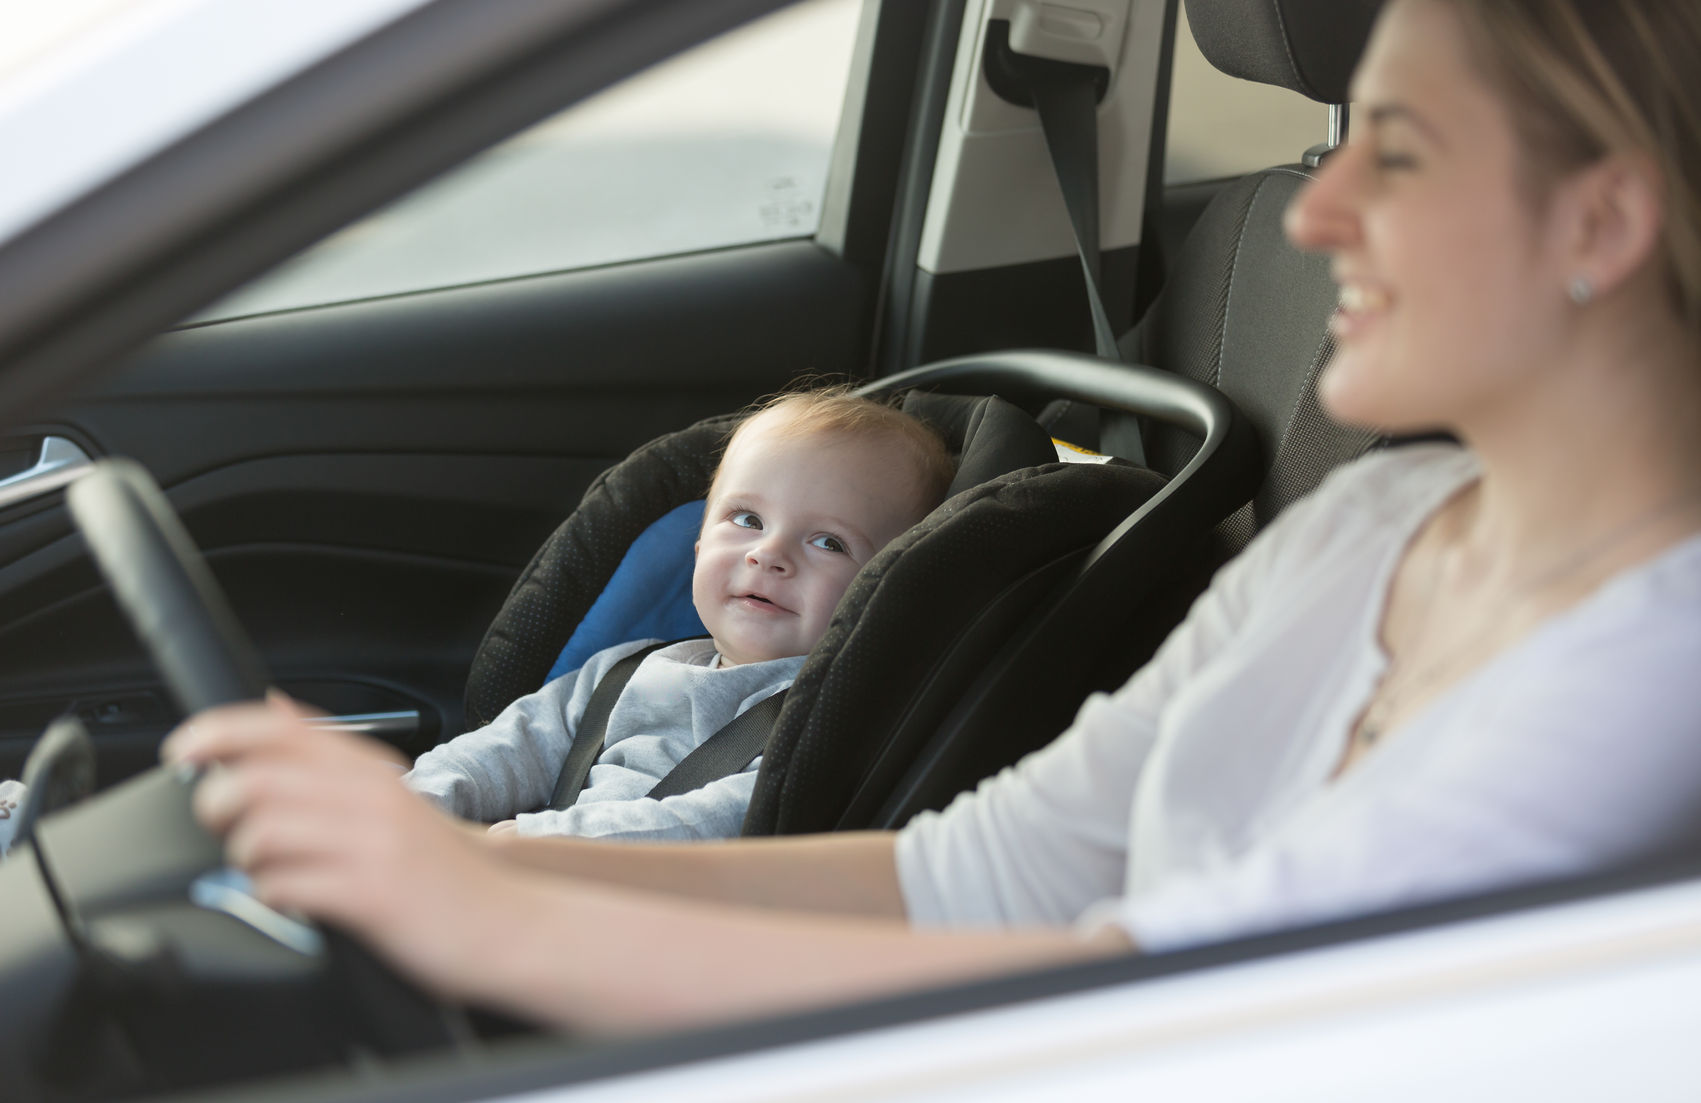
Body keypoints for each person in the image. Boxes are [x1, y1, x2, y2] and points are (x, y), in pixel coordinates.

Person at [162, 0, 1701, 1037]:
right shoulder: (1370, 522)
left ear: (1602, 219)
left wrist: (485, 921)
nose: (1313, 209)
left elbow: (1171, 1015)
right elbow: (968, 873)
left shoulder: (1655, 662)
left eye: (1402, 151)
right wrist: (472, 866)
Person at [404, 389, 953, 840]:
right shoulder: (618, 672)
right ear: (697, 548)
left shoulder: (832, 721)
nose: (768, 554)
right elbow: (509, 746)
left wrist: (520, 845)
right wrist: (418, 804)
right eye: (746, 519)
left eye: (829, 542)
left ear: (885, 586)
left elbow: (715, 823)